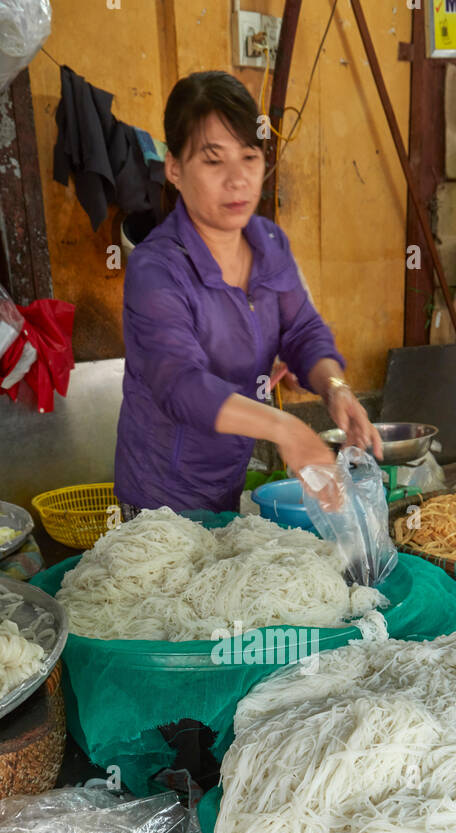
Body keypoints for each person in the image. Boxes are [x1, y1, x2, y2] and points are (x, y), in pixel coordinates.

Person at [115, 70, 381, 516]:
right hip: (159, 497)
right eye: (214, 160)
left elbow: (303, 331)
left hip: (225, 477)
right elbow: (180, 384)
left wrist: (334, 387)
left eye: (250, 157)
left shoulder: (267, 242)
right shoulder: (156, 269)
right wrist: (287, 430)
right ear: (175, 169)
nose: (238, 179)